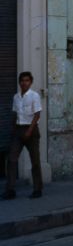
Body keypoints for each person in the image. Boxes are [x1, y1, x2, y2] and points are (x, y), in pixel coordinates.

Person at [3, 71, 43, 199]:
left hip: (31, 130)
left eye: (27, 80)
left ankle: (37, 189)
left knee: (35, 161)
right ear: (19, 82)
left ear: (30, 82)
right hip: (18, 131)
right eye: (22, 80)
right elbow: (15, 114)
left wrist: (29, 131)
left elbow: (37, 115)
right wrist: (14, 130)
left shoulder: (34, 96)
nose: (24, 83)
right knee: (12, 159)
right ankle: (10, 190)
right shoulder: (16, 97)